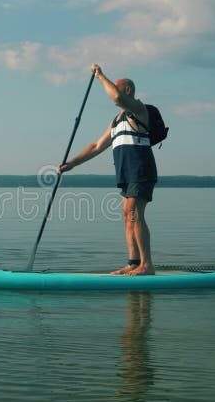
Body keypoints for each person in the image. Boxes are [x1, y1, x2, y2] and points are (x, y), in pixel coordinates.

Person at [57, 64, 158, 276]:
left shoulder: (140, 110)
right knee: (126, 215)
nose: (113, 91)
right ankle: (133, 263)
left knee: (134, 213)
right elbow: (96, 146)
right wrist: (72, 164)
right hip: (126, 173)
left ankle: (147, 265)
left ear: (127, 90)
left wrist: (100, 75)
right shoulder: (116, 121)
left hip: (141, 170)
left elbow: (117, 99)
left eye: (116, 87)